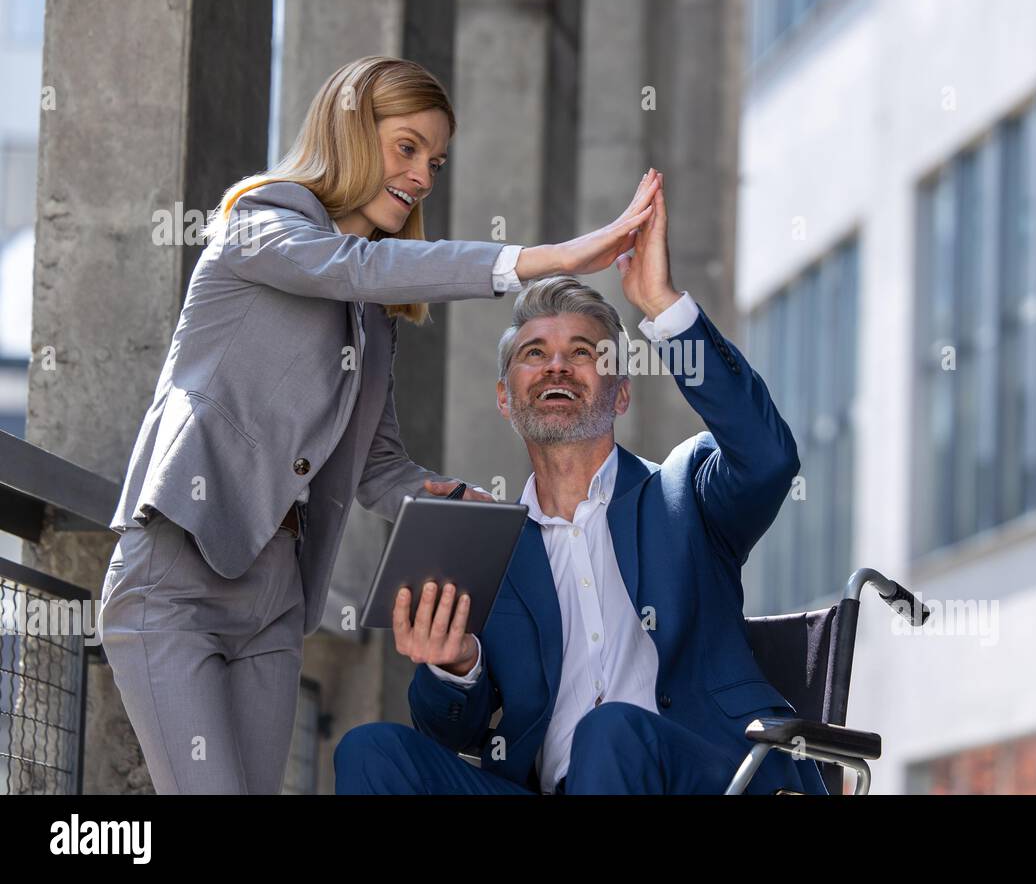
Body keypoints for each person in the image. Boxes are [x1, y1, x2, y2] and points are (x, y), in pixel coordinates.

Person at [99, 56, 661, 794]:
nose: (425, 175)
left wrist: (453, 503)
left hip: (275, 595)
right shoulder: (260, 225)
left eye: (436, 159)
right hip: (179, 568)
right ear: (350, 129)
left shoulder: (372, 319)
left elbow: (376, 465)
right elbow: (354, 266)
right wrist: (544, 260)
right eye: (408, 148)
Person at [333, 183, 827, 795]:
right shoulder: (489, 548)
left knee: (609, 732)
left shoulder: (687, 494)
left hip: (706, 777)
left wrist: (664, 307)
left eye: (583, 352)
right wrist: (454, 665)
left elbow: (769, 455)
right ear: (505, 400)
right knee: (372, 752)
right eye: (535, 353)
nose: (557, 366)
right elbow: (450, 732)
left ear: (621, 391)